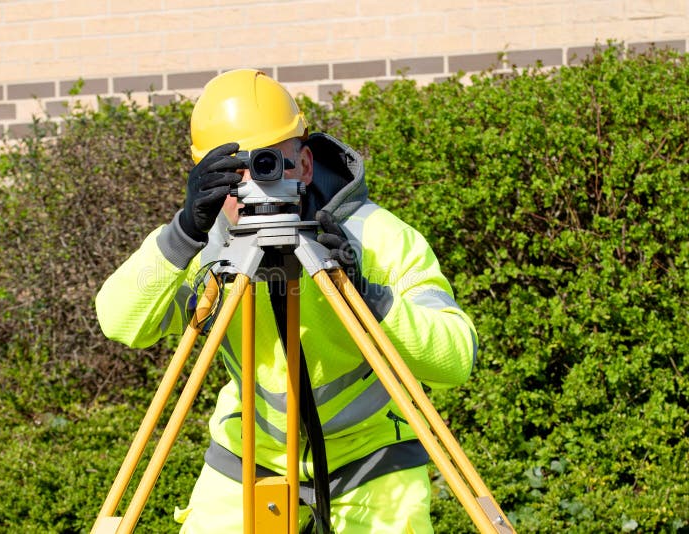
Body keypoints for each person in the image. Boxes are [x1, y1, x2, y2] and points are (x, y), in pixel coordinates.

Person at [95, 69, 477, 533]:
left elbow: (455, 360)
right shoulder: (207, 248)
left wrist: (365, 293)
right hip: (248, 456)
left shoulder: (376, 238)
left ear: (307, 163)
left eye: (270, 164)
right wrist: (183, 233)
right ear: (204, 176)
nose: (256, 185)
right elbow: (119, 322)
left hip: (371, 458)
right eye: (234, 171)